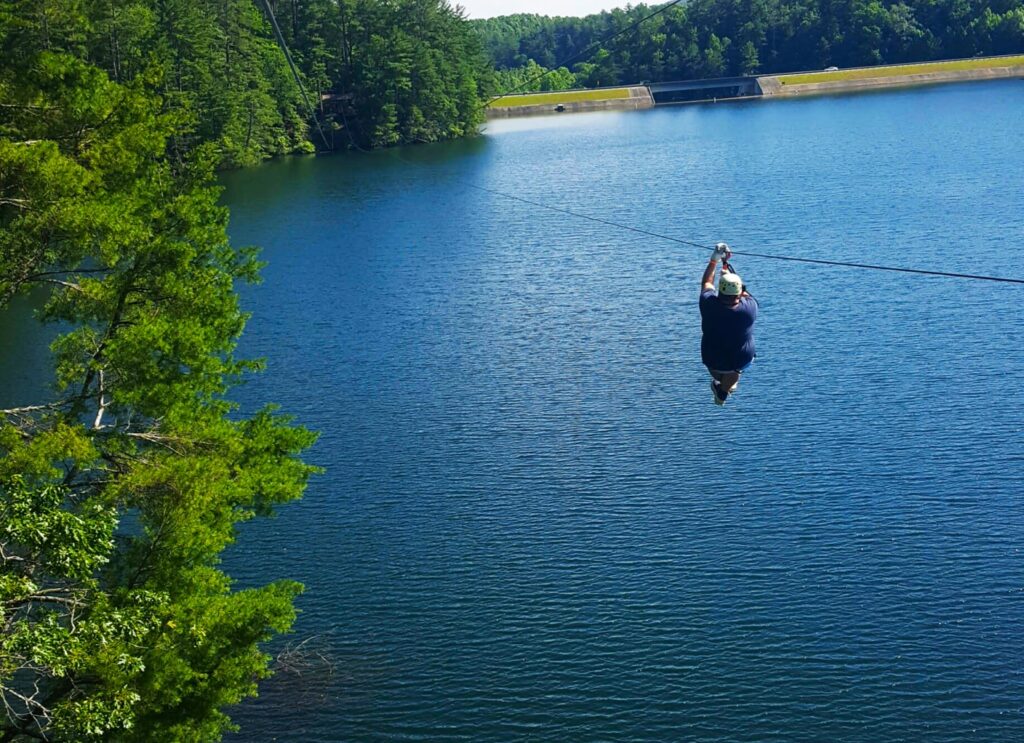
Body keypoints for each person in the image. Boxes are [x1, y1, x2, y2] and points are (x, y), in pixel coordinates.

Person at [700, 243, 757, 406]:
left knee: (724, 374)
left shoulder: (708, 304)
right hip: (741, 361)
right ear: (739, 293)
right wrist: (729, 271)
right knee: (733, 372)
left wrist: (714, 261)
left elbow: (706, 284)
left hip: (713, 362)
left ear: (720, 291)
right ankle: (724, 389)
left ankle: (724, 386)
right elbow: (744, 294)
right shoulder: (749, 309)